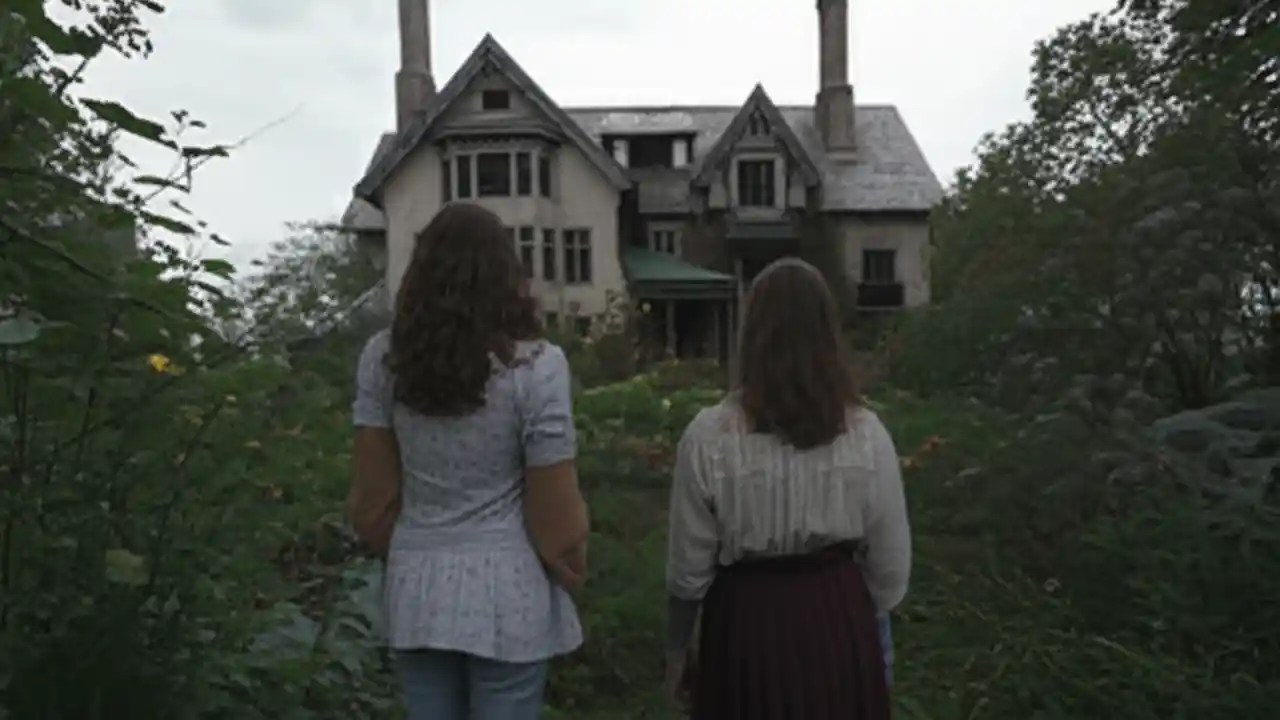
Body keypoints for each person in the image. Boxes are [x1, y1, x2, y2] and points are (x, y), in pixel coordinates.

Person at [348, 202, 589, 720]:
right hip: (510, 593)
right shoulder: (537, 367)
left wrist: (428, 553)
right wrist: (569, 567)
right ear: (507, 275)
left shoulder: (382, 361)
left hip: (417, 590)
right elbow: (556, 522)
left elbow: (372, 505)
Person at [664, 258, 911, 720]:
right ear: (828, 336)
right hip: (838, 621)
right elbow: (890, 573)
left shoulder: (709, 437)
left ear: (751, 335)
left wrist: (678, 653)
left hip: (745, 630)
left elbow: (686, 575)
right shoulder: (866, 435)